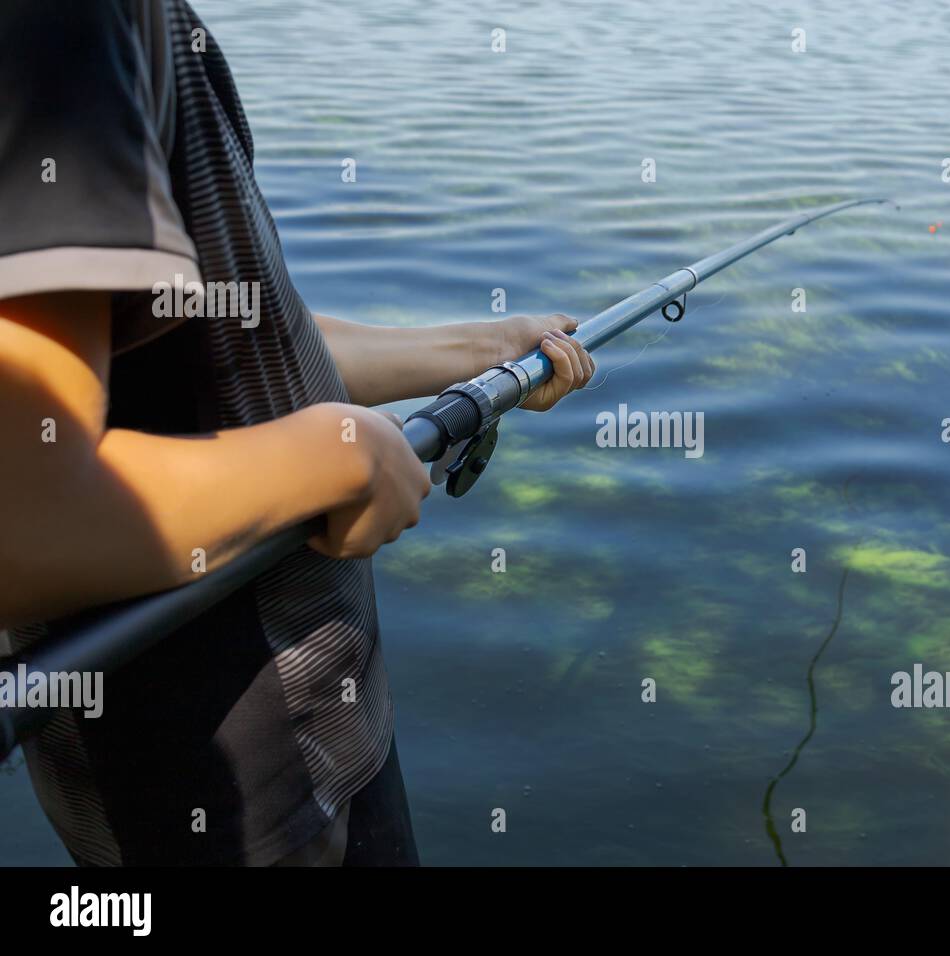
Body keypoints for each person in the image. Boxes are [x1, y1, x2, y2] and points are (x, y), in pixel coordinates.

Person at [0, 0, 593, 866]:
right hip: (225, 797)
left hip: (324, 744)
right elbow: (22, 517)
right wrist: (331, 458)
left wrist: (487, 349)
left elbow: (241, 344)